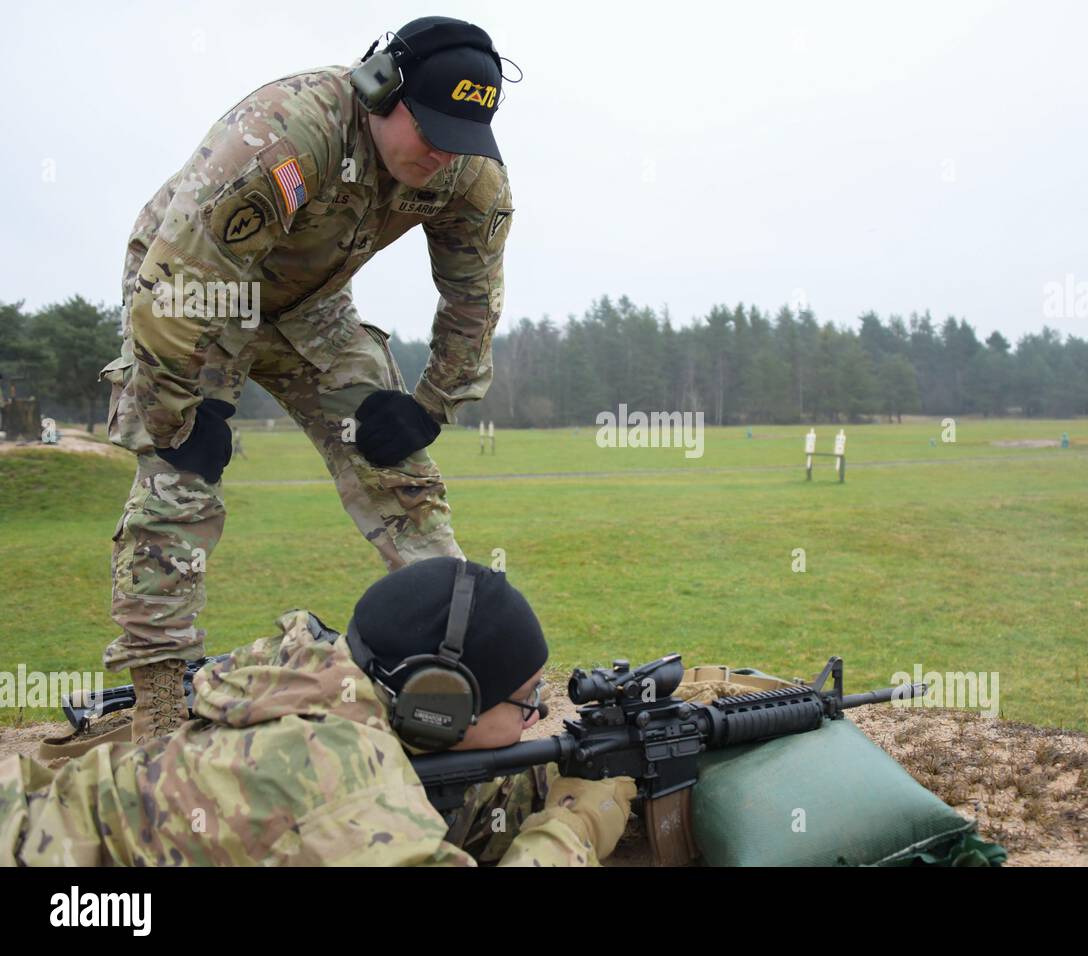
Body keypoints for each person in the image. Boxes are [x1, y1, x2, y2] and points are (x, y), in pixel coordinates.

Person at [100, 16, 517, 743]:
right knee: (177, 482)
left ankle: (458, 660)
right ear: (381, 90)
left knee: (398, 466)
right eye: (432, 129)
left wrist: (431, 404)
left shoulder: (466, 172)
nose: (444, 153)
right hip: (201, 292)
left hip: (313, 307)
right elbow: (179, 282)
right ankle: (160, 698)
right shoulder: (286, 135)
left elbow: (472, 299)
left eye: (463, 136)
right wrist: (173, 417)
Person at [0, 558, 635, 866]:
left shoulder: (315, 671)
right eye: (526, 702)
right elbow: (353, 811)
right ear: (439, 705)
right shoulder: (339, 786)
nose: (537, 714)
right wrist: (572, 829)